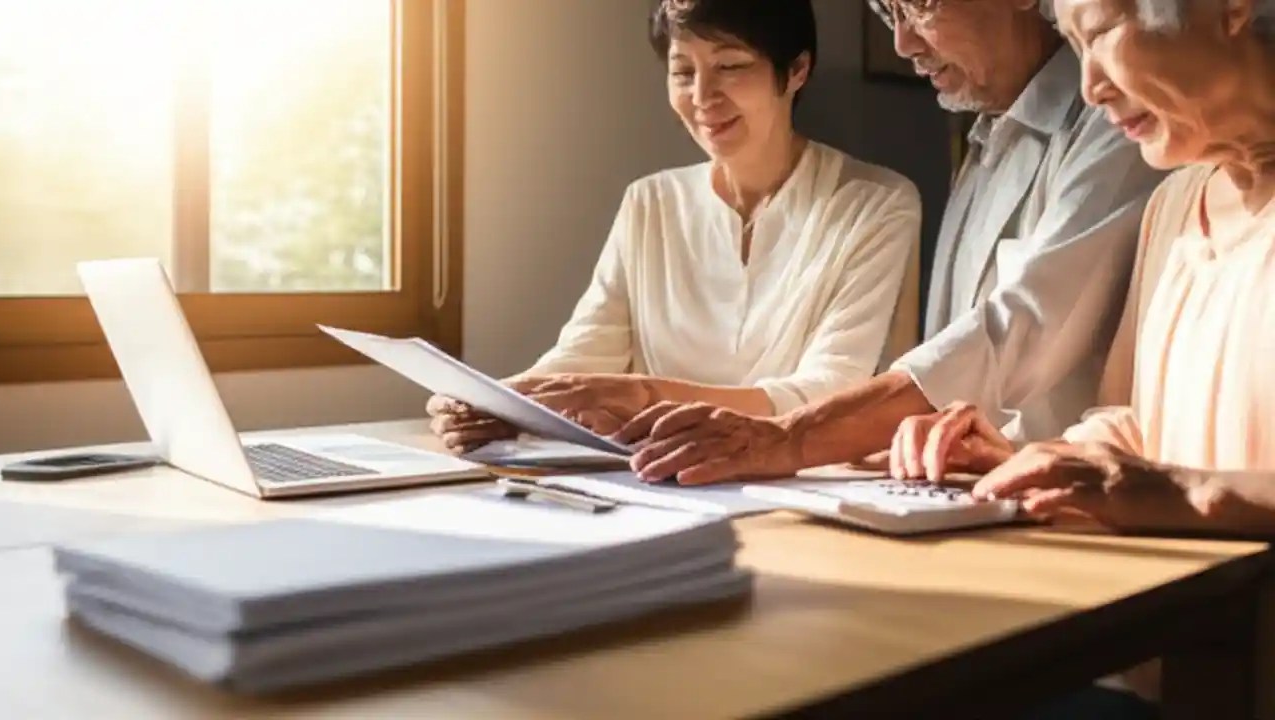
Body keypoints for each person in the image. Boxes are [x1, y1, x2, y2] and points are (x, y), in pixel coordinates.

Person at [613, 0, 1166, 485]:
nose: (903, 42)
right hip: (973, 492)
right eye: (888, 12)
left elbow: (1023, 325)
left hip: (1081, 505)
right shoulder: (984, 143)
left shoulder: (1116, 124)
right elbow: (950, 367)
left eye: (921, 4)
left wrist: (792, 436)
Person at [429, 0, 922, 453]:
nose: (703, 96)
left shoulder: (876, 204)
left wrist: (644, 395)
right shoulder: (650, 203)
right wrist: (489, 401)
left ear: (796, 71)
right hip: (654, 484)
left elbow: (830, 392)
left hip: (802, 488)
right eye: (683, 71)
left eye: (730, 66)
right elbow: (582, 359)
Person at [888, 0, 1275, 535]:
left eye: (1100, 35)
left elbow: (1170, 482)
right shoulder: (1175, 205)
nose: (1091, 87)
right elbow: (1132, 424)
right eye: (1076, 47)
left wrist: (1186, 491)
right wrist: (1031, 461)